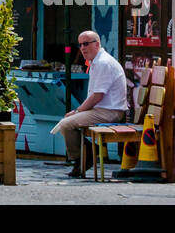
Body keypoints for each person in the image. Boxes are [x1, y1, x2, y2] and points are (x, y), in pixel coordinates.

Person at [51, 30, 128, 178]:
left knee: (67, 124)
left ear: (97, 44)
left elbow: (97, 96)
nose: (83, 48)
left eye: (86, 44)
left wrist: (78, 111)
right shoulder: (97, 62)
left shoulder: (103, 63)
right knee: (66, 122)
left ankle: (82, 159)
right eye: (80, 45)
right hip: (102, 110)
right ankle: (86, 155)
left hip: (110, 112)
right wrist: (78, 112)